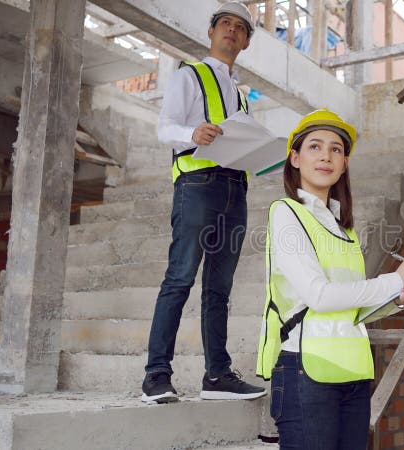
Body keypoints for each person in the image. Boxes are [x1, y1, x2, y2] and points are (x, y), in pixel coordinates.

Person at [256, 109, 404, 449]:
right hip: (306, 371)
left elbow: (353, 308)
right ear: (295, 159)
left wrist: (397, 298)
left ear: (344, 164)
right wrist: (394, 279)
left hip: (353, 372)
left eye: (336, 149)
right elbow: (318, 296)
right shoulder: (286, 212)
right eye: (315, 146)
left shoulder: (343, 228)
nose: (326, 156)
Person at [141, 1, 265, 403]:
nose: (232, 30)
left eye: (240, 28)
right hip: (198, 184)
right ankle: (156, 376)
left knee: (219, 289)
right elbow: (165, 128)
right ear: (211, 32)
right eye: (225, 23)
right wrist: (192, 134)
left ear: (246, 42)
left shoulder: (242, 97)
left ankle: (218, 376)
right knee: (180, 278)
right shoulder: (188, 76)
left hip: (235, 190)